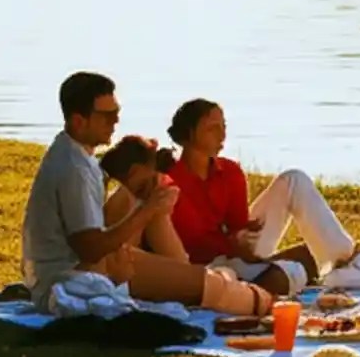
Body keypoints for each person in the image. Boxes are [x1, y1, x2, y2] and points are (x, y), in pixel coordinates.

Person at [20, 72, 273, 315]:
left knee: (201, 279)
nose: (115, 122)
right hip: (72, 279)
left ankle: (227, 288)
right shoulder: (73, 168)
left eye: (117, 113)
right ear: (78, 121)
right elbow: (90, 250)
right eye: (107, 116)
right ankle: (268, 305)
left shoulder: (75, 156)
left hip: (85, 268)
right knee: (217, 287)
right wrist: (147, 209)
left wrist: (151, 208)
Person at [162, 98, 360, 296]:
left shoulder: (230, 171)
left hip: (235, 252)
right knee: (300, 264)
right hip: (204, 265)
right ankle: (347, 274)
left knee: (294, 179)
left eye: (224, 126)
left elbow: (237, 226)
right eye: (213, 128)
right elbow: (190, 242)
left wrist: (242, 237)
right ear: (190, 135)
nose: (222, 135)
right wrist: (233, 243)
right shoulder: (171, 180)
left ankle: (343, 259)